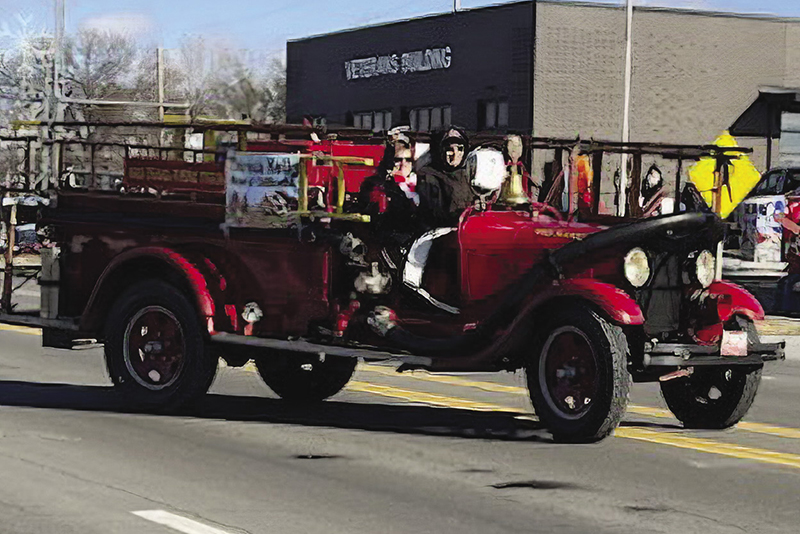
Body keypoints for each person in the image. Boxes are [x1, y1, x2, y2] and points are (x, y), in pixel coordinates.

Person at [416, 126, 472, 228]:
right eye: (449, 149)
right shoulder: (428, 175)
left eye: (460, 149)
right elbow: (431, 212)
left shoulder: (470, 174)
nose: (455, 155)